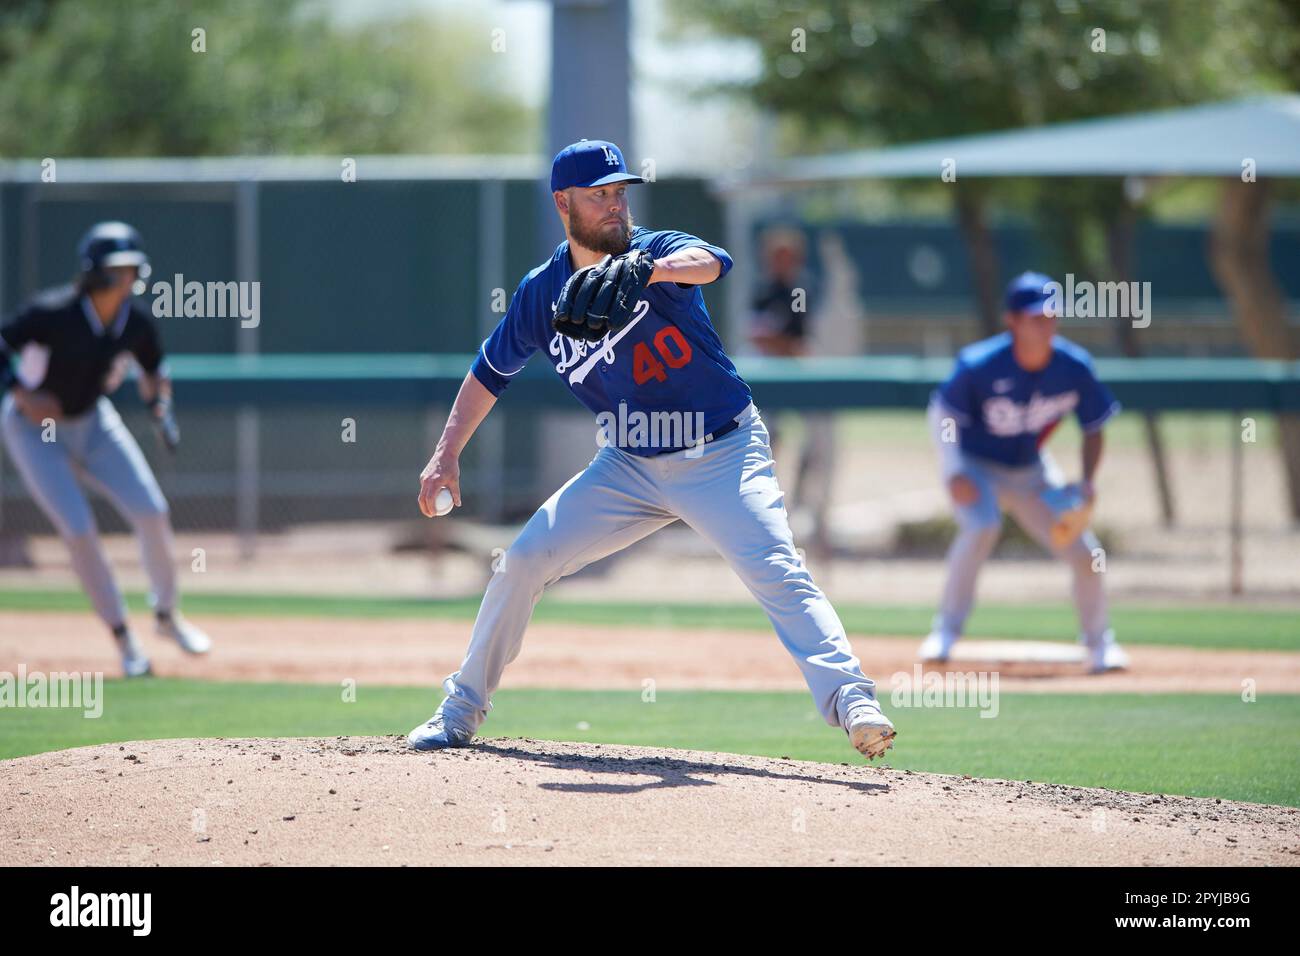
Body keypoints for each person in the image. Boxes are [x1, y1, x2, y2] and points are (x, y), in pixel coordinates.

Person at [408, 139, 895, 760]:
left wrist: (653, 270)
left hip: (720, 452)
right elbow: (489, 373)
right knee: (521, 562)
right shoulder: (541, 292)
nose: (615, 205)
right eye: (599, 194)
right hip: (627, 466)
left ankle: (853, 700)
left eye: (619, 192)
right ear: (563, 202)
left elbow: (711, 261)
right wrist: (446, 453)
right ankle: (458, 713)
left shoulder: (654, 251)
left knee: (777, 568)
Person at [0, 221, 212, 677]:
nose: (129, 277)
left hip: (93, 422)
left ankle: (166, 615)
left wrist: (160, 406)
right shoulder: (52, 311)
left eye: (133, 268)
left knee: (151, 509)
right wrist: (20, 391)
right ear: (95, 272)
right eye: (119, 269)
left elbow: (155, 367)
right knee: (78, 530)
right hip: (34, 431)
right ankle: (125, 640)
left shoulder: (132, 321)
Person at [920, 271, 1128, 674]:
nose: (1046, 325)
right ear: (1011, 320)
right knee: (981, 527)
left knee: (1087, 552)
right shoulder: (980, 364)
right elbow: (942, 412)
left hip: (1031, 472)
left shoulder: (1074, 366)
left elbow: (1094, 426)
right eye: (1036, 317)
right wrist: (953, 470)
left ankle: (1101, 645)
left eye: (1052, 316)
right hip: (977, 467)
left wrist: (1086, 481)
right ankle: (944, 633)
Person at [749, 226, 835, 559]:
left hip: (799, 373)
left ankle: (808, 510)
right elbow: (759, 337)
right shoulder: (763, 290)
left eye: (787, 256)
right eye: (776, 256)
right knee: (766, 440)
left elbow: (800, 340)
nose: (781, 263)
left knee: (818, 441)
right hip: (769, 374)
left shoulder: (802, 288)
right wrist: (781, 345)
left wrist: (782, 345)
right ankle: (766, 509)